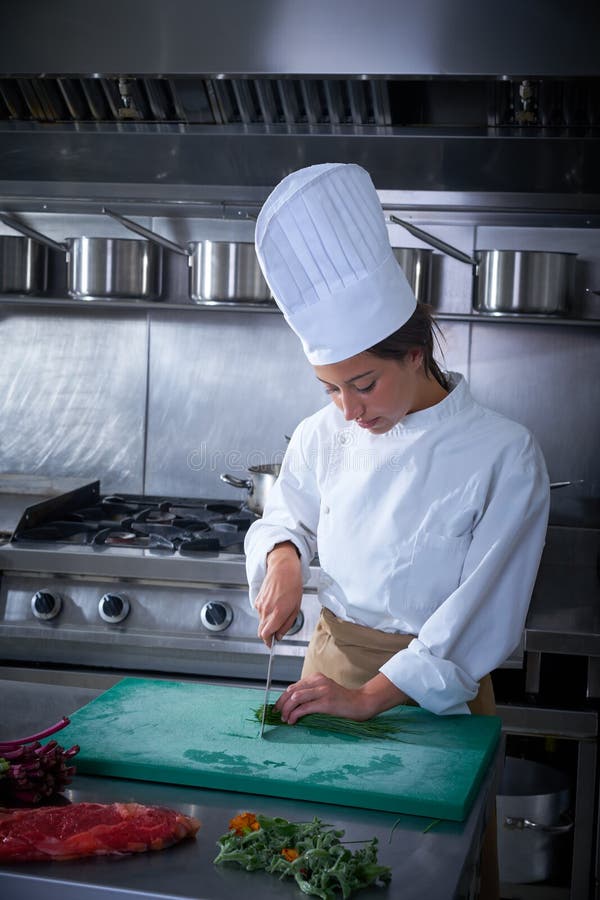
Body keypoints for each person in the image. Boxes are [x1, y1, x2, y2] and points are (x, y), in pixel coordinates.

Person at [244, 163, 550, 895]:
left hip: (433, 701)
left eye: (364, 383)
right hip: (325, 675)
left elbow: (477, 617)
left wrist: (372, 697)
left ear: (415, 353)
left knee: (421, 876)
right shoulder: (327, 432)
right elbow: (285, 509)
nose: (347, 410)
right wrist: (285, 555)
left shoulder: (505, 454)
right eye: (330, 388)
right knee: (309, 868)